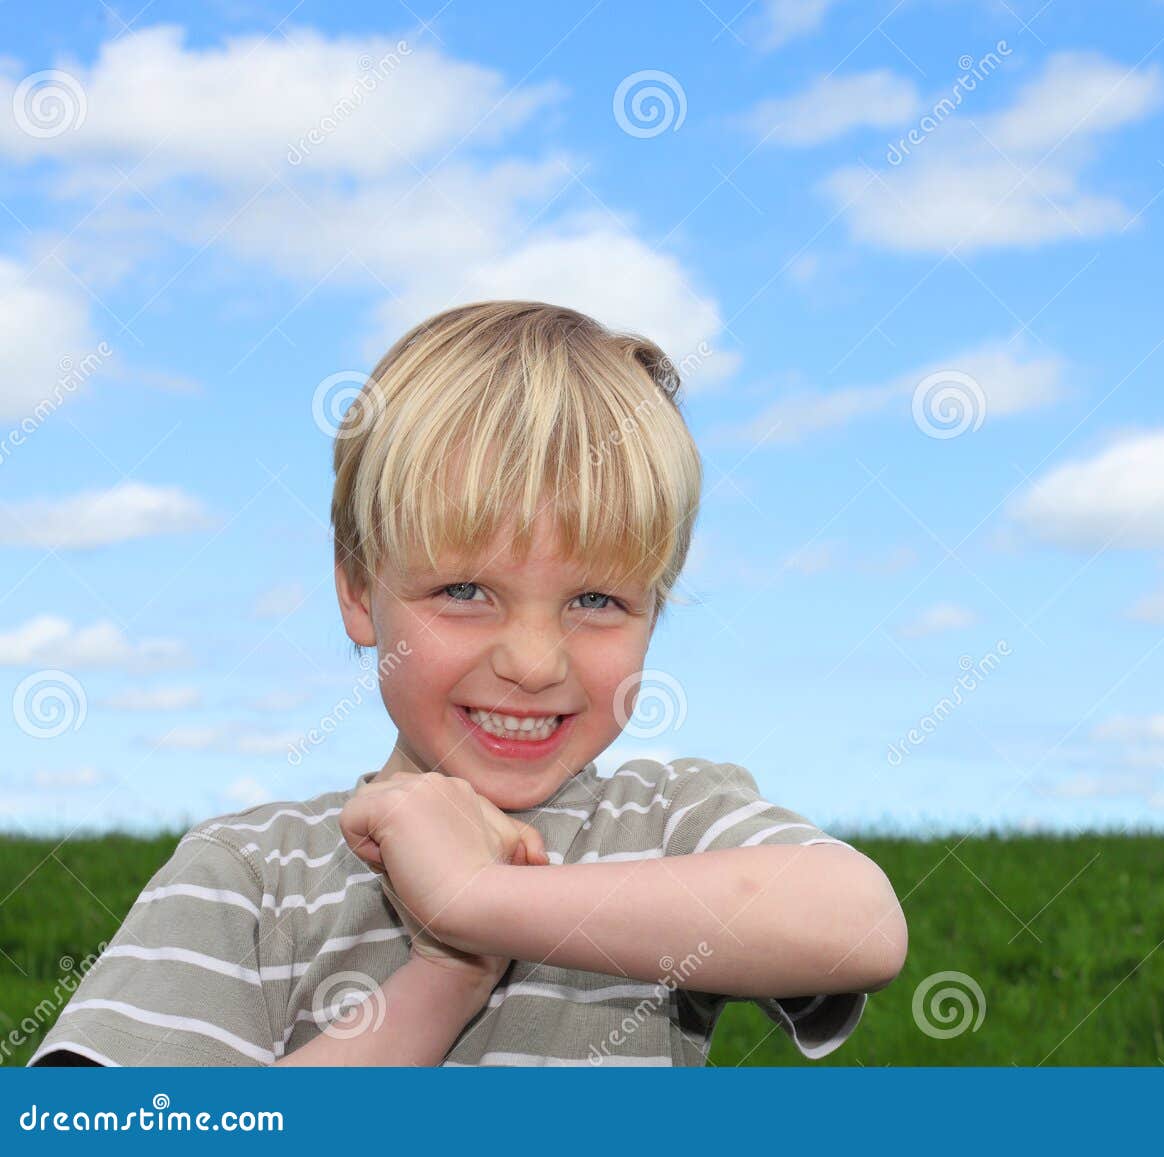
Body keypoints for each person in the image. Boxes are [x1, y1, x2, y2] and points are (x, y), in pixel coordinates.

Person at [28, 301, 908, 1067]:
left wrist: (482, 899)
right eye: (464, 590)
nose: (533, 661)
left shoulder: (671, 821)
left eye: (597, 599)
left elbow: (858, 924)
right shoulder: (250, 875)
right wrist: (447, 971)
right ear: (358, 588)